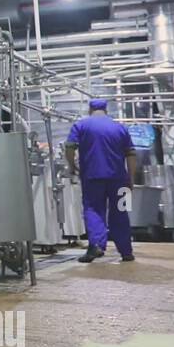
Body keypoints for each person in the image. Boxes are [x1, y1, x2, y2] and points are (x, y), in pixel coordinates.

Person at [64, 99, 137, 263]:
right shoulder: (119, 127)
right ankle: (126, 251)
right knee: (121, 211)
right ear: (106, 109)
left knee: (93, 209)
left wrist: (72, 166)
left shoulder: (81, 125)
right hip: (119, 178)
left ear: (90, 109)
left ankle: (96, 245)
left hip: (92, 177)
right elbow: (131, 154)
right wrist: (131, 178)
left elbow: (69, 147)